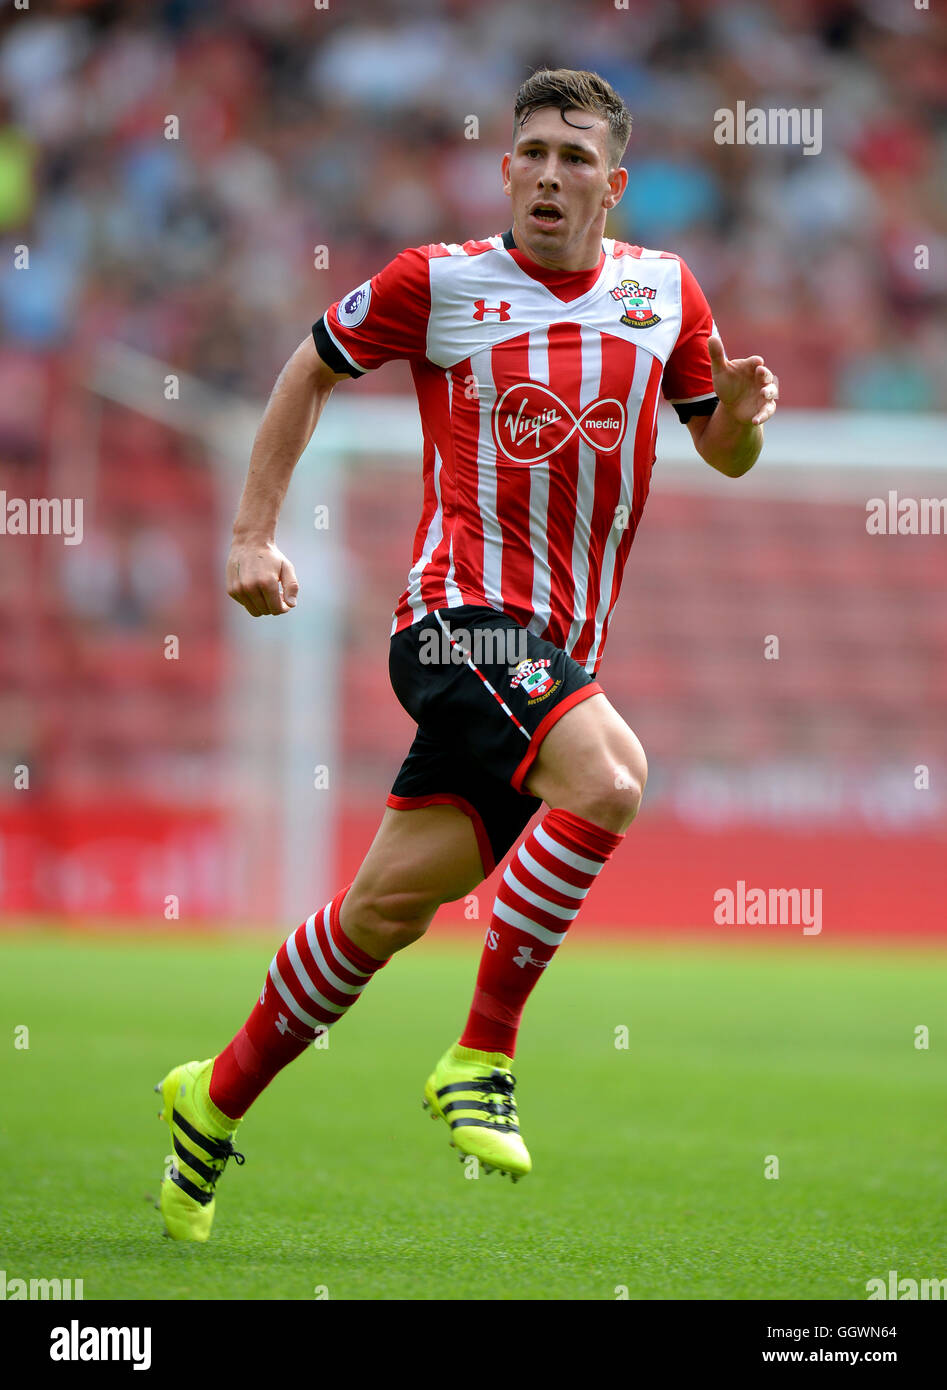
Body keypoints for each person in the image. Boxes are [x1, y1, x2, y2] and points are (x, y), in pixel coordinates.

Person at [154, 67, 778, 1241]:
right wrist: (250, 534)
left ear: (613, 184)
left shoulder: (664, 295)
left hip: (550, 656)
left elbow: (725, 452)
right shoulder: (435, 283)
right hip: (454, 624)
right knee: (611, 778)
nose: (549, 174)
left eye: (574, 158)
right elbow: (309, 365)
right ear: (505, 169)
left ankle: (211, 1097)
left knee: (384, 910)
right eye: (531, 152)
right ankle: (480, 1053)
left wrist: (738, 416)